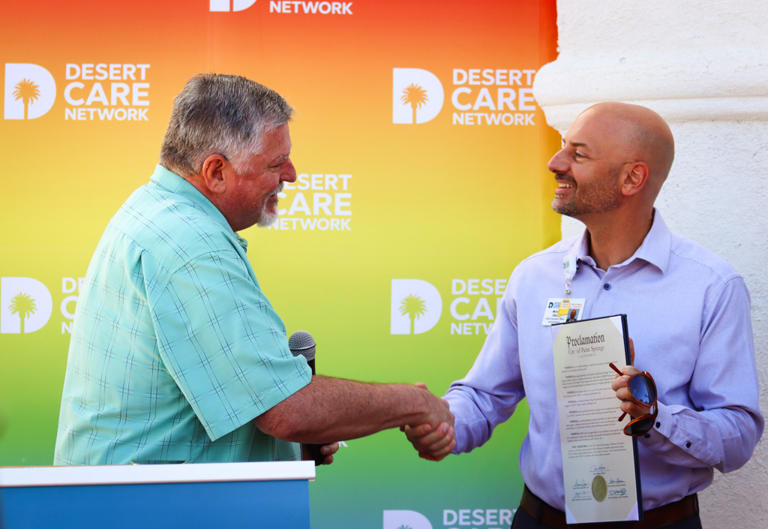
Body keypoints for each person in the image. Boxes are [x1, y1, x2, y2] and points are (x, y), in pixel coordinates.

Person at [54, 73, 453, 466]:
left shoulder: (159, 212)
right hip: (152, 501)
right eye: (276, 163)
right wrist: (414, 403)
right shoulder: (191, 244)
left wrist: (290, 445)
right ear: (216, 172)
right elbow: (285, 410)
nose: (291, 175)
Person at [405, 102, 763, 528]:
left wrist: (654, 417)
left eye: (578, 154)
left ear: (632, 178)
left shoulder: (712, 286)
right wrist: (443, 423)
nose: (555, 163)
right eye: (563, 148)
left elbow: (737, 436)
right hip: (539, 519)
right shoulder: (534, 276)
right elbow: (485, 396)